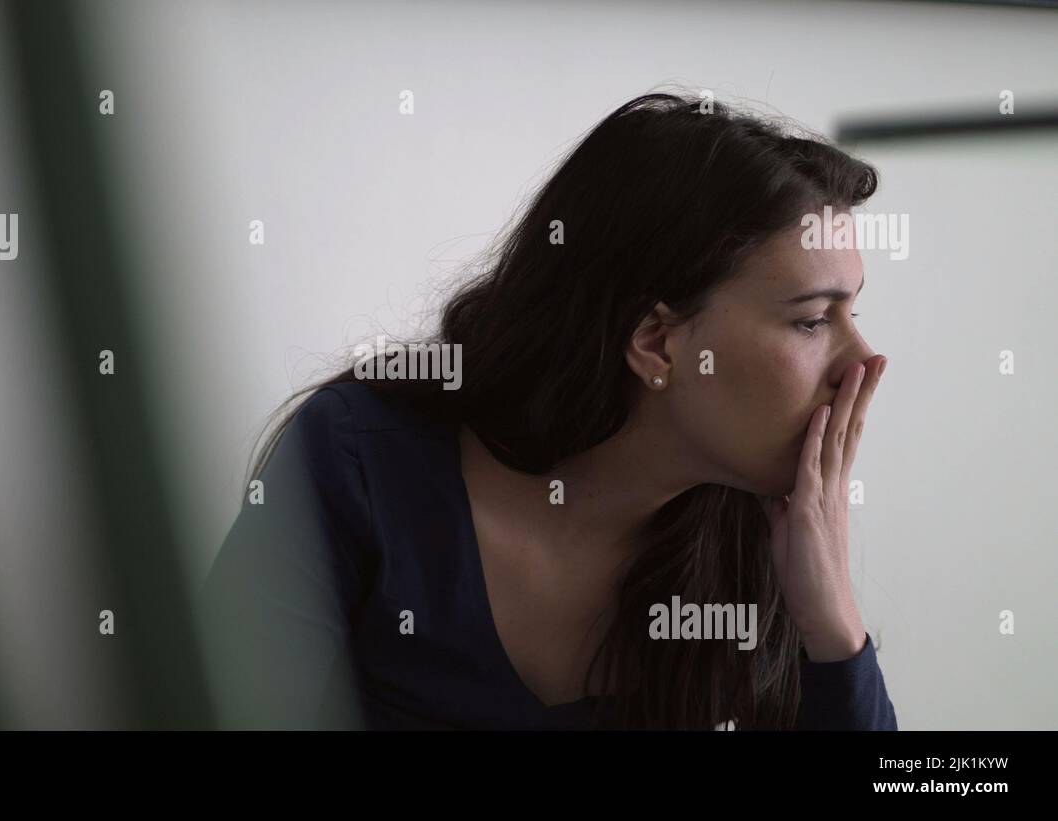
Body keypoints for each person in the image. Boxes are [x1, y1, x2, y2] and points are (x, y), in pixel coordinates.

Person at [198, 91, 898, 731]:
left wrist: (832, 624)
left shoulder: (776, 540)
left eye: (852, 312)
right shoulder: (361, 460)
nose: (861, 363)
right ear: (657, 343)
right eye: (812, 320)